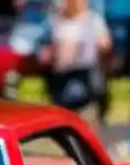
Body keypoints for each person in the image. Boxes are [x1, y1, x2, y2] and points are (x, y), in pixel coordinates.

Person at [42, 0, 111, 129]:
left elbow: (105, 45)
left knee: (82, 118)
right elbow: (47, 47)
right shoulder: (56, 21)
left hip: (82, 74)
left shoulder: (93, 20)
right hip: (63, 76)